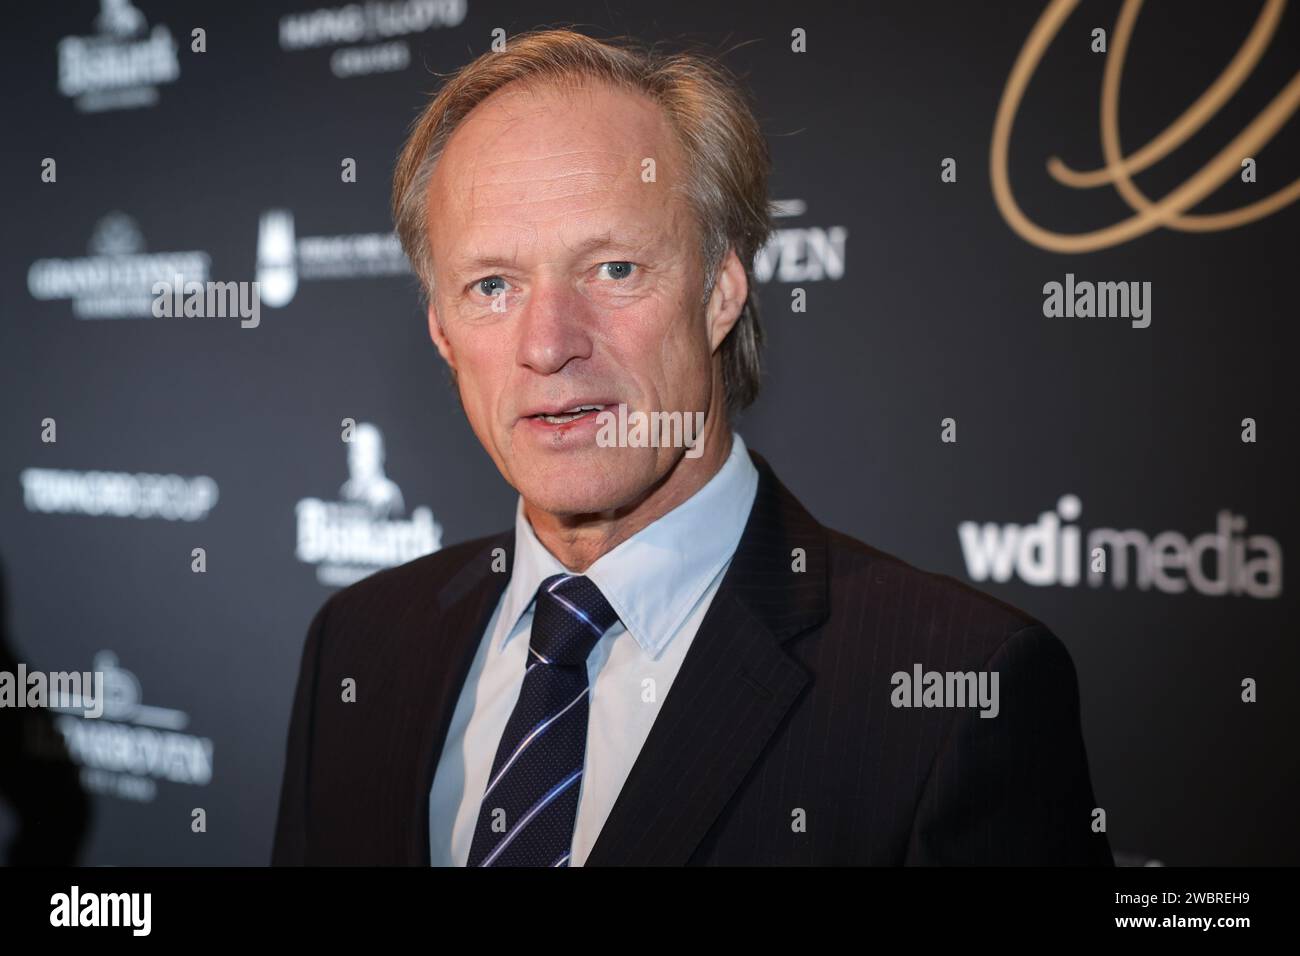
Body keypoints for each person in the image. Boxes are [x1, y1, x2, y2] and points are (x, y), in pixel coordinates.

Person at [272, 28, 1112, 866]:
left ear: (720, 294)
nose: (548, 343)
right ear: (443, 332)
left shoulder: (953, 693)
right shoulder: (359, 646)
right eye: (492, 286)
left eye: (614, 270)